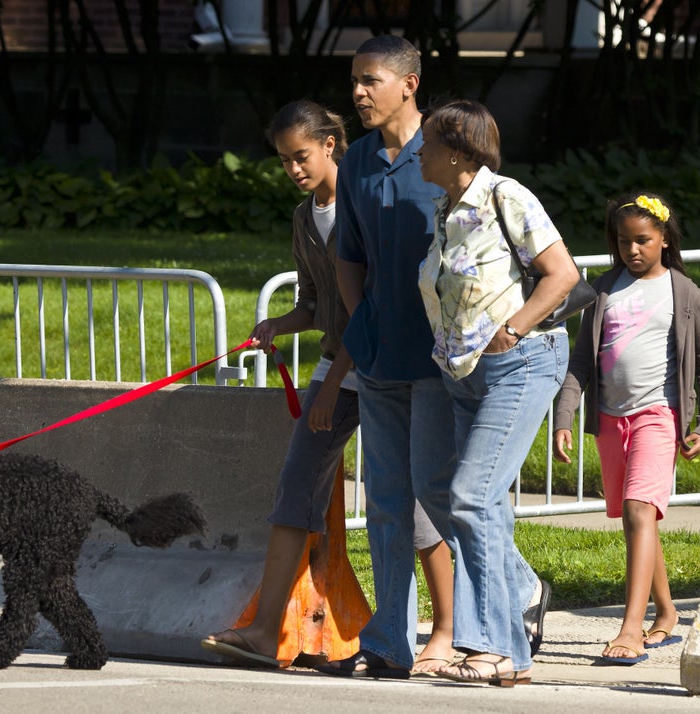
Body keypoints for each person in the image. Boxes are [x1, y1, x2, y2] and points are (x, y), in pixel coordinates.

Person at [201, 98, 455, 675]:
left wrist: (338, 374)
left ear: (330, 145)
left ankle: (446, 628)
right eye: (285, 161)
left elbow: (370, 306)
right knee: (296, 488)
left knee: (413, 503)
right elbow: (317, 306)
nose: (294, 168)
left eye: (301, 156)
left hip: (383, 364)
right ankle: (267, 631)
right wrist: (279, 325)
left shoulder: (365, 204)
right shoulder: (303, 218)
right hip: (336, 367)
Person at [415, 98, 577, 686]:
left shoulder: (506, 196)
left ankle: (491, 648)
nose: (419, 151)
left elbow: (563, 274)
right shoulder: (444, 207)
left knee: (471, 497)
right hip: (464, 374)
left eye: (428, 142)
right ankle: (519, 626)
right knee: (470, 502)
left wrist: (513, 330)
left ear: (457, 151)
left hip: (522, 363)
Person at [316, 35, 459, 680]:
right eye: (354, 80)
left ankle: (496, 606)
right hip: (379, 358)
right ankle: (388, 642)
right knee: (385, 504)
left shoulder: (448, 153)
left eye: (370, 80)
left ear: (410, 85)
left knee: (441, 498)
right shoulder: (358, 162)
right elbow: (349, 254)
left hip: (439, 362)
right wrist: (364, 320)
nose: (357, 93)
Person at [552, 191, 700, 665]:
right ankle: (666, 613)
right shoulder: (603, 290)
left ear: (664, 239)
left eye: (643, 241)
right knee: (638, 519)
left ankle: (630, 630)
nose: (633, 250)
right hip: (611, 420)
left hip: (659, 415)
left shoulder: (684, 292)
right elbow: (580, 361)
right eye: (624, 242)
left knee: (637, 511)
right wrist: (565, 416)